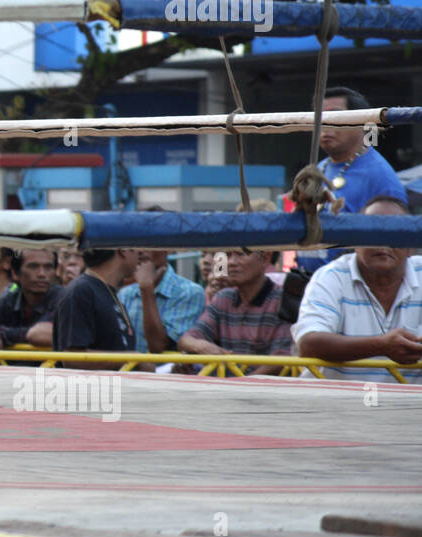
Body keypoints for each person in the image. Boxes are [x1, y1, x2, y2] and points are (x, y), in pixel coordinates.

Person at [293, 196, 422, 382]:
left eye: (395, 234)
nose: (384, 243)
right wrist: (381, 345)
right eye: (374, 233)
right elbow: (308, 343)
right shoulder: (331, 276)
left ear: (411, 247)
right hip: (336, 406)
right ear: (355, 242)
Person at [294, 87, 407, 274]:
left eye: (336, 118)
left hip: (350, 289)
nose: (326, 126)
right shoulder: (318, 169)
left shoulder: (380, 177)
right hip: (303, 283)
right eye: (320, 118)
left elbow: (396, 249)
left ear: (361, 122)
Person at [178, 249, 292, 375]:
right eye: (227, 255)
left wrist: (239, 386)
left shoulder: (283, 301)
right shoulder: (223, 298)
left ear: (265, 258)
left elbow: (281, 361)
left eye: (240, 254)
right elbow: (186, 339)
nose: (231, 262)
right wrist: (204, 347)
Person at [52, 248, 140, 369]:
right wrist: (136, 360)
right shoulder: (80, 290)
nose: (142, 253)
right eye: (137, 247)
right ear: (123, 250)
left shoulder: (107, 291)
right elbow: (73, 359)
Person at [117, 244, 205, 354]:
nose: (140, 250)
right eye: (136, 243)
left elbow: (158, 347)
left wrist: (146, 288)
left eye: (149, 243)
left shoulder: (190, 292)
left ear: (168, 249)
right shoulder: (125, 294)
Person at [0, 248, 60, 348]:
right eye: (33, 267)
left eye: (48, 267)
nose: (42, 274)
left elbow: (39, 335)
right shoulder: (8, 301)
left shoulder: (64, 299)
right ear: (15, 273)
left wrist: (3, 333)